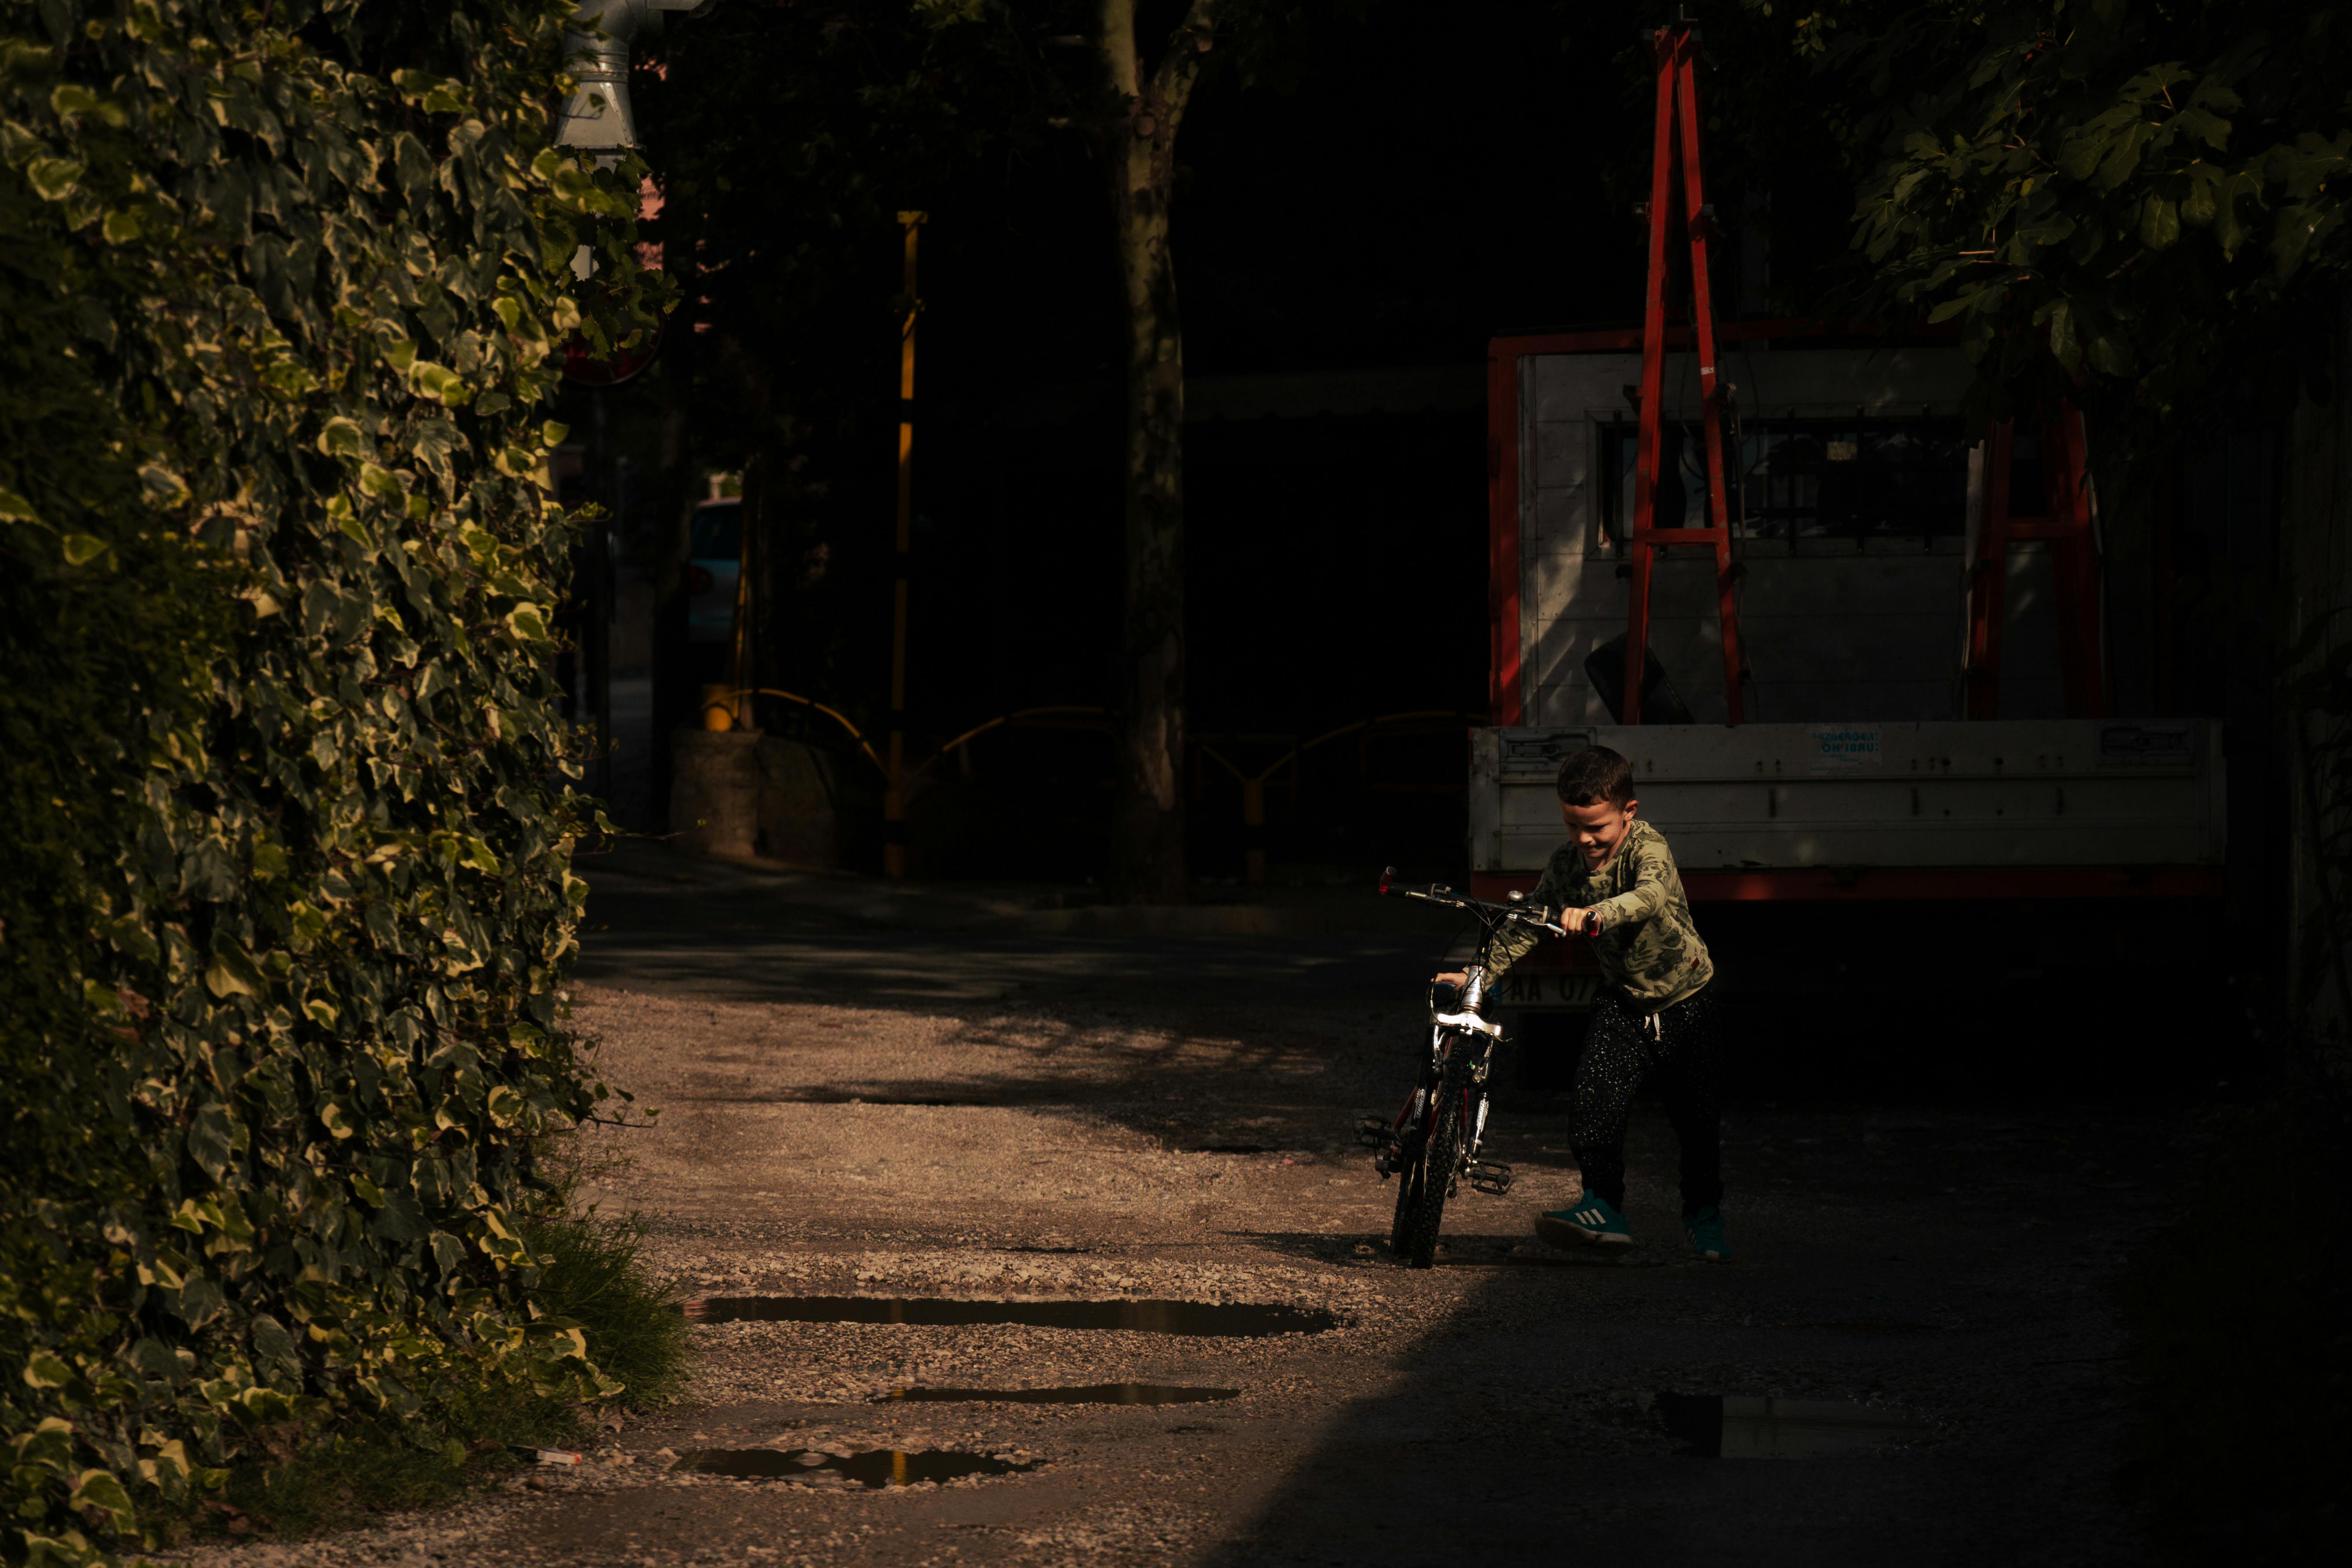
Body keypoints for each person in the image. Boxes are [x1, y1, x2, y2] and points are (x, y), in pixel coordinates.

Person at [1432, 745, 1728, 1260]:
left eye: (1597, 827)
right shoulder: (1567, 864)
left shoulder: (1647, 849)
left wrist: (1596, 915)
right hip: (1624, 1002)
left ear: (1628, 814)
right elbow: (1526, 927)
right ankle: (1603, 1208)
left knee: (1695, 1120)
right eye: (1573, 826)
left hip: (1688, 1001)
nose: (1585, 839)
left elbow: (1650, 896)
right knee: (1594, 1101)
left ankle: (1703, 1217)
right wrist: (1479, 972)